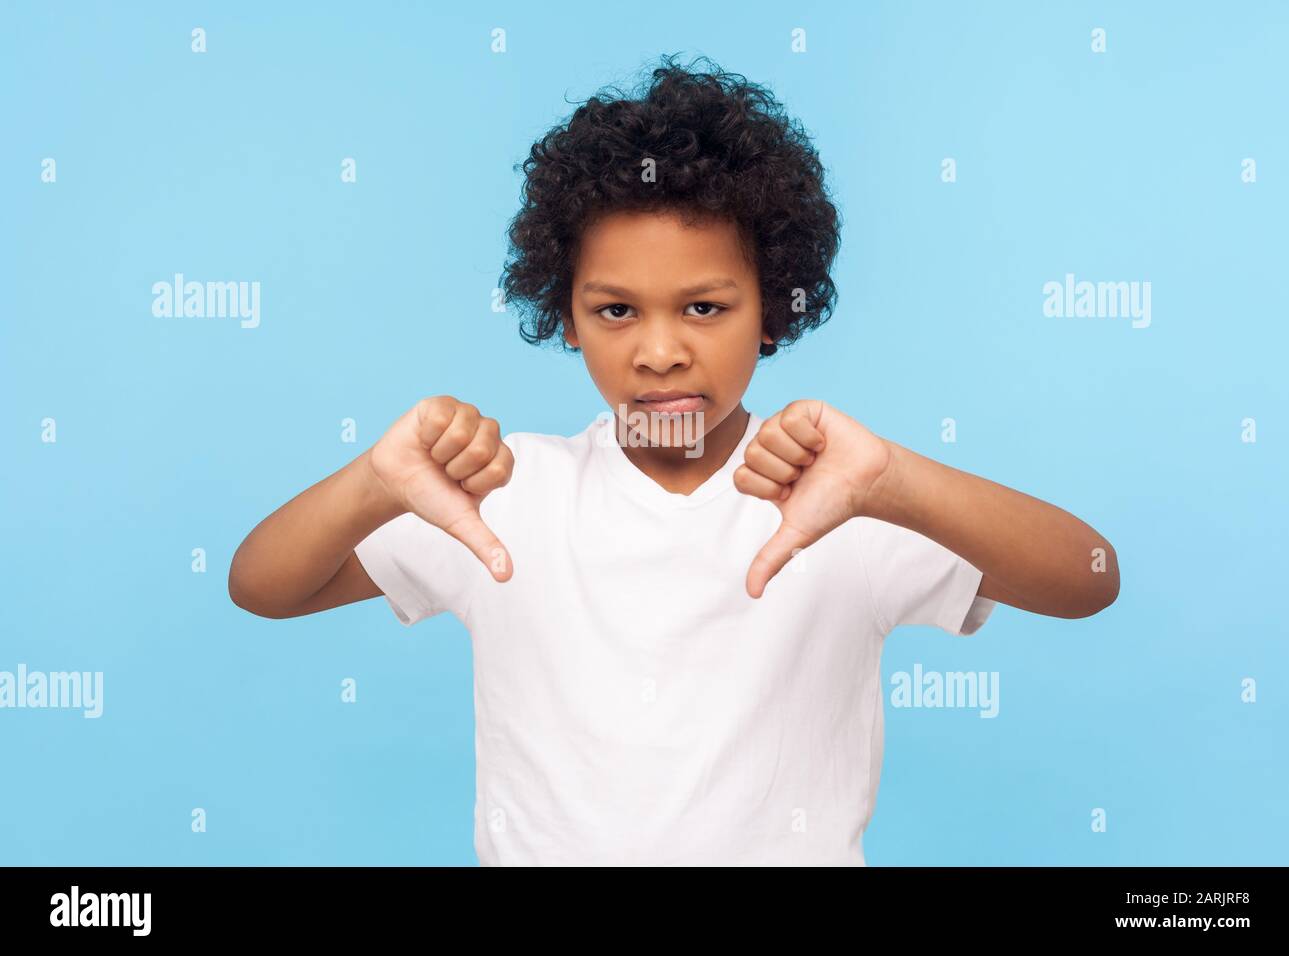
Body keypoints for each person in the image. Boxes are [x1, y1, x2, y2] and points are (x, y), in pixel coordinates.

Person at [228, 54, 1119, 865]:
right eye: (616, 311)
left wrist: (895, 481)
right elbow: (264, 585)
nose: (659, 352)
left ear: (772, 312)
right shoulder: (504, 491)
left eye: (704, 308)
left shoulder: (843, 496)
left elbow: (1088, 577)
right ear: (565, 316)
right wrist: (373, 483)